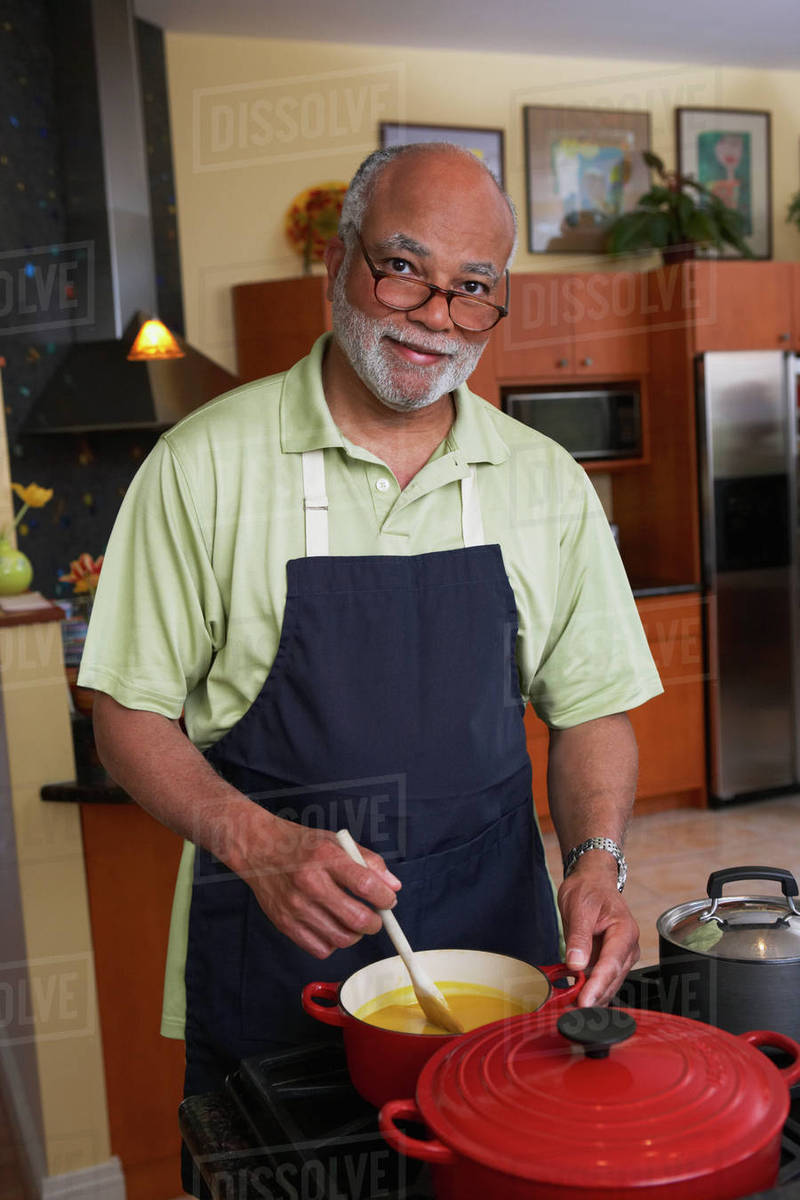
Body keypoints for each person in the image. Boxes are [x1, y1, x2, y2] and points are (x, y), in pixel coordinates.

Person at [80, 142, 661, 1186]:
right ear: (337, 263)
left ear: (498, 301)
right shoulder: (201, 466)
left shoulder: (545, 484)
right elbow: (126, 712)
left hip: (500, 953)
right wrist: (255, 846)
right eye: (403, 268)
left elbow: (591, 713)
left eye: (472, 287)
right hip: (276, 971)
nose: (435, 314)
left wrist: (596, 863)